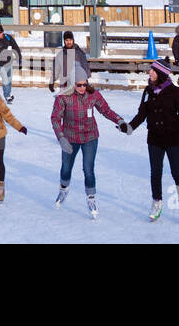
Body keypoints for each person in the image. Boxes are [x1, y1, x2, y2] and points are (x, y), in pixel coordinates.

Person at [121, 60, 179, 224]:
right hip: (154, 138)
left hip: (173, 138)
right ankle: (157, 202)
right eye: (151, 70)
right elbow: (142, 114)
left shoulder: (174, 92)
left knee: (177, 173)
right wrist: (130, 127)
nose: (150, 73)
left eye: (153, 71)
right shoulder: (148, 91)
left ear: (161, 74)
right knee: (155, 173)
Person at [51, 67, 125, 218]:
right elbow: (55, 118)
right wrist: (61, 137)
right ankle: (63, 189)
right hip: (70, 138)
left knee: (88, 169)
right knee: (66, 167)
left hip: (90, 137)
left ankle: (91, 198)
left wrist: (120, 121)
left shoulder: (93, 95)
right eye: (79, 85)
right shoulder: (63, 97)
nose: (83, 88)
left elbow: (106, 110)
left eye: (85, 84)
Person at [0, 23, 22, 103]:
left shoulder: (8, 38)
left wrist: (19, 57)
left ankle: (8, 93)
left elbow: (16, 47)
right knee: (5, 80)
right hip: (0, 63)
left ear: (3, 32)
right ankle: (7, 96)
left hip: (9, 62)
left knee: (9, 80)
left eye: (0, 32)